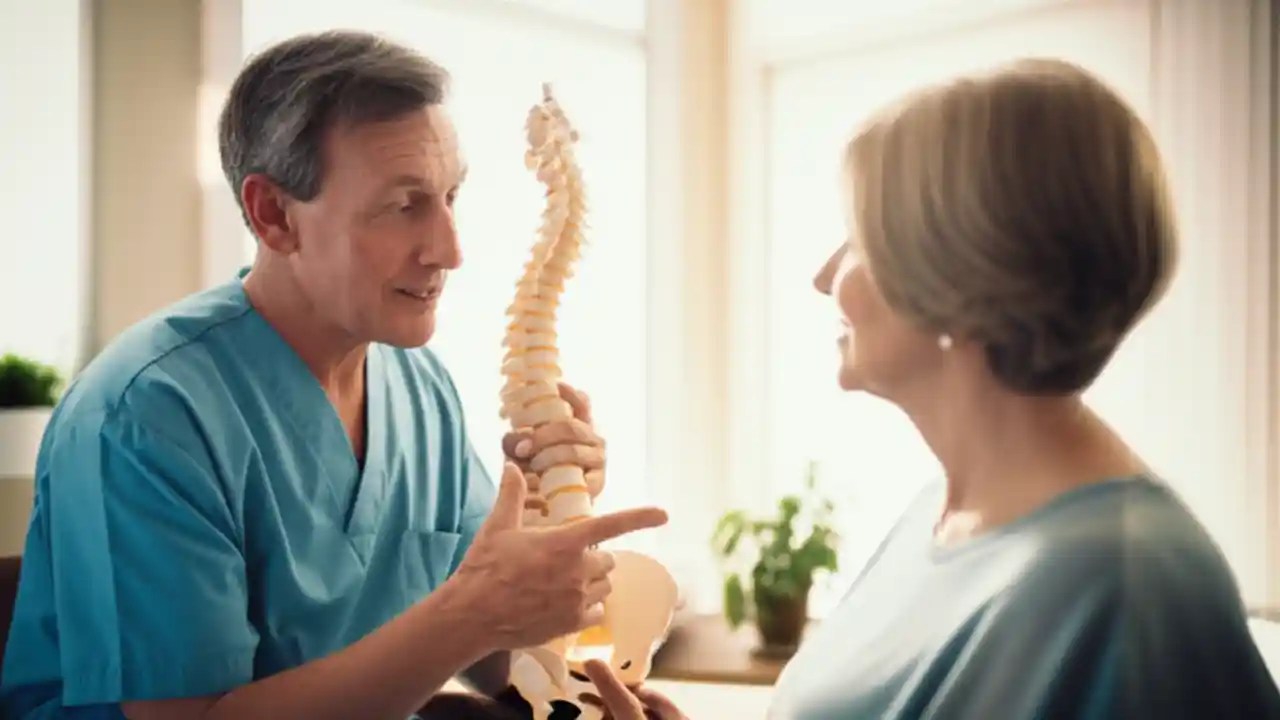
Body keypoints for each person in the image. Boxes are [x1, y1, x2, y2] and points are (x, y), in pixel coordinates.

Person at [0, 30, 667, 720]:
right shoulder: (147, 416)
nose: (450, 250)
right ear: (273, 215)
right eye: (404, 206)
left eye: (450, 197)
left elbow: (491, 653)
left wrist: (540, 546)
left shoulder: (420, 389)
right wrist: (470, 614)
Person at [588, 58, 1280, 719]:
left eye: (860, 238)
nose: (825, 276)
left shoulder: (1128, 589)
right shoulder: (940, 513)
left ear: (961, 280)